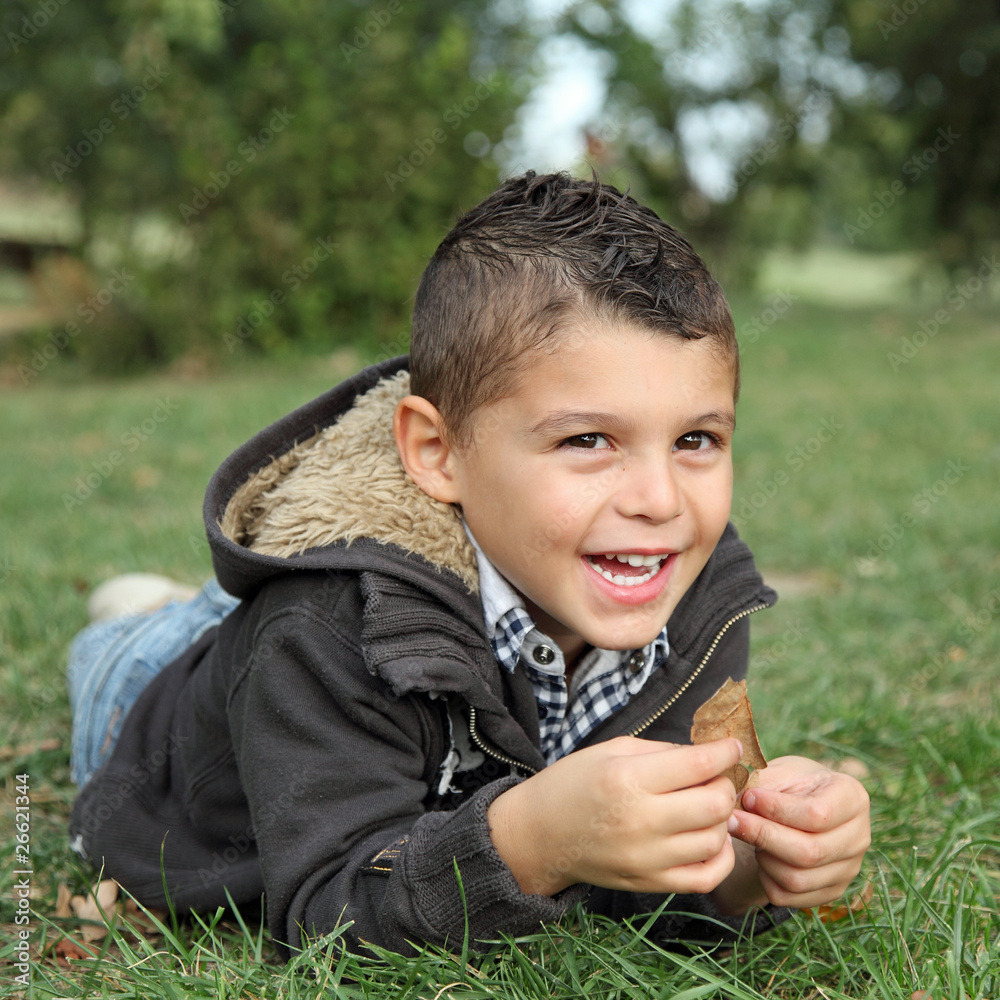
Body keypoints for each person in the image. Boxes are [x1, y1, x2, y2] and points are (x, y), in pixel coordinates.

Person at [68, 171, 870, 957]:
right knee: (143, 649)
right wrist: (531, 840)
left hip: (323, 655)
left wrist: (749, 867)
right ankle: (153, 621)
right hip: (165, 716)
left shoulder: (691, 594)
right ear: (437, 452)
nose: (660, 500)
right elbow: (323, 909)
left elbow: (635, 869)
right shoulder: (323, 631)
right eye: (588, 440)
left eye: (695, 439)